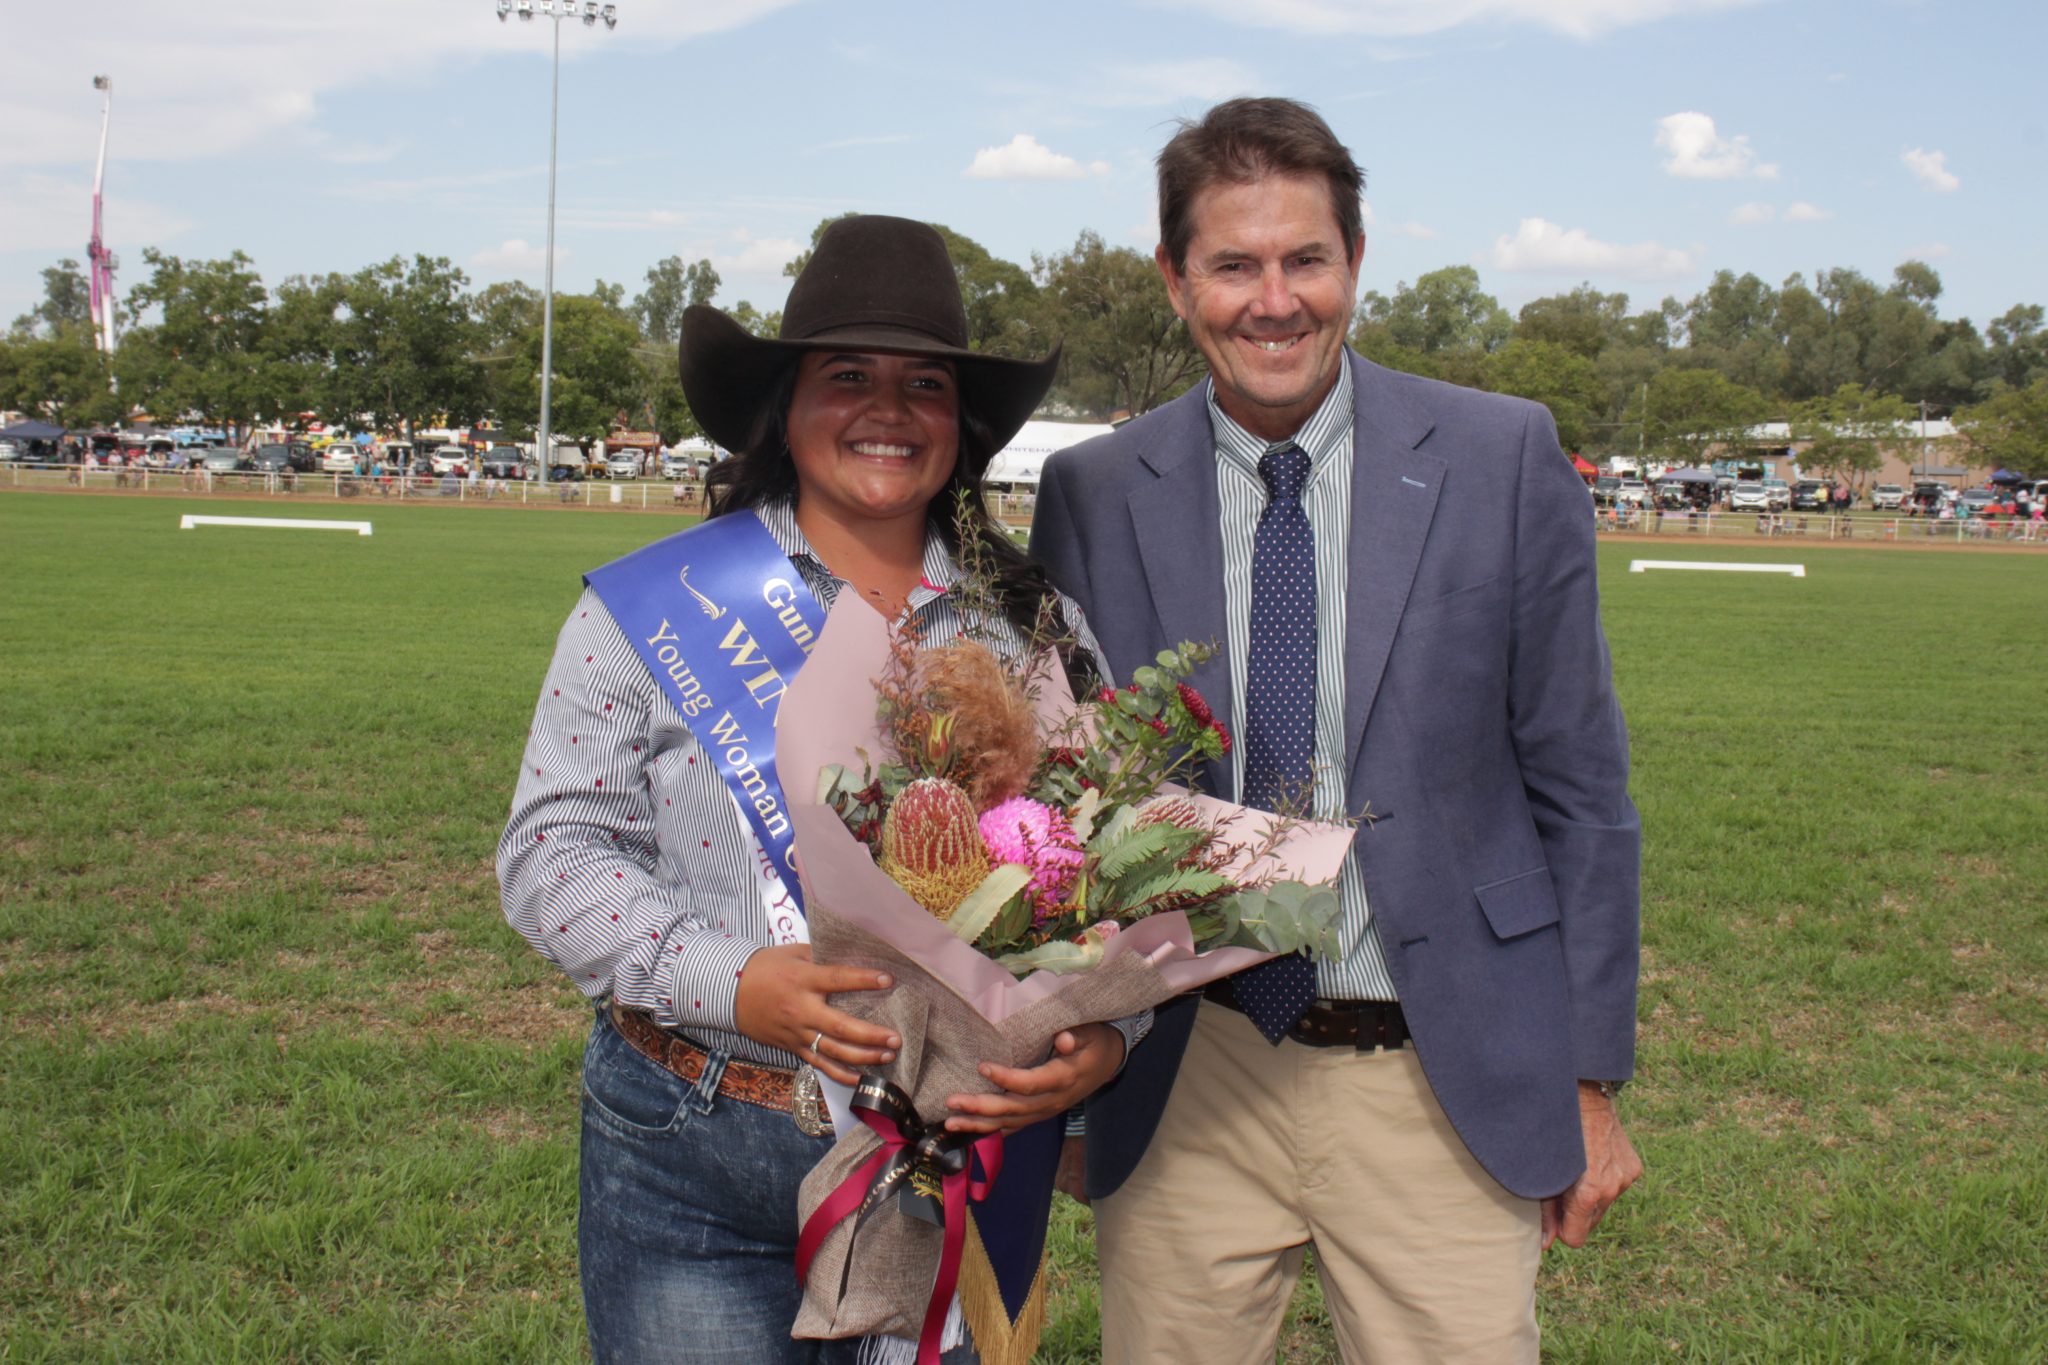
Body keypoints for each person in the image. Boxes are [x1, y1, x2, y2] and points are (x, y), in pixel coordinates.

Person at [1032, 98, 1643, 1363]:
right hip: (1187, 1073)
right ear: (1173, 279)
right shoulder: (1090, 491)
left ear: (1354, 262)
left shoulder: (1502, 455)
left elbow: (1580, 789)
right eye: (1233, 263)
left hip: (1433, 1070)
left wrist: (1584, 1076)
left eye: (1304, 258)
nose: (1274, 300)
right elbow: (1067, 796)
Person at [498, 215, 1138, 1365]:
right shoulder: (655, 604)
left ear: (962, 426)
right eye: (847, 377)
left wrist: (1111, 1039)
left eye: (923, 384)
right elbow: (554, 850)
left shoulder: (1036, 631)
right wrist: (734, 981)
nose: (886, 410)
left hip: (938, 1158)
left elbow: (1115, 873)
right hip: (690, 1140)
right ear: (784, 411)